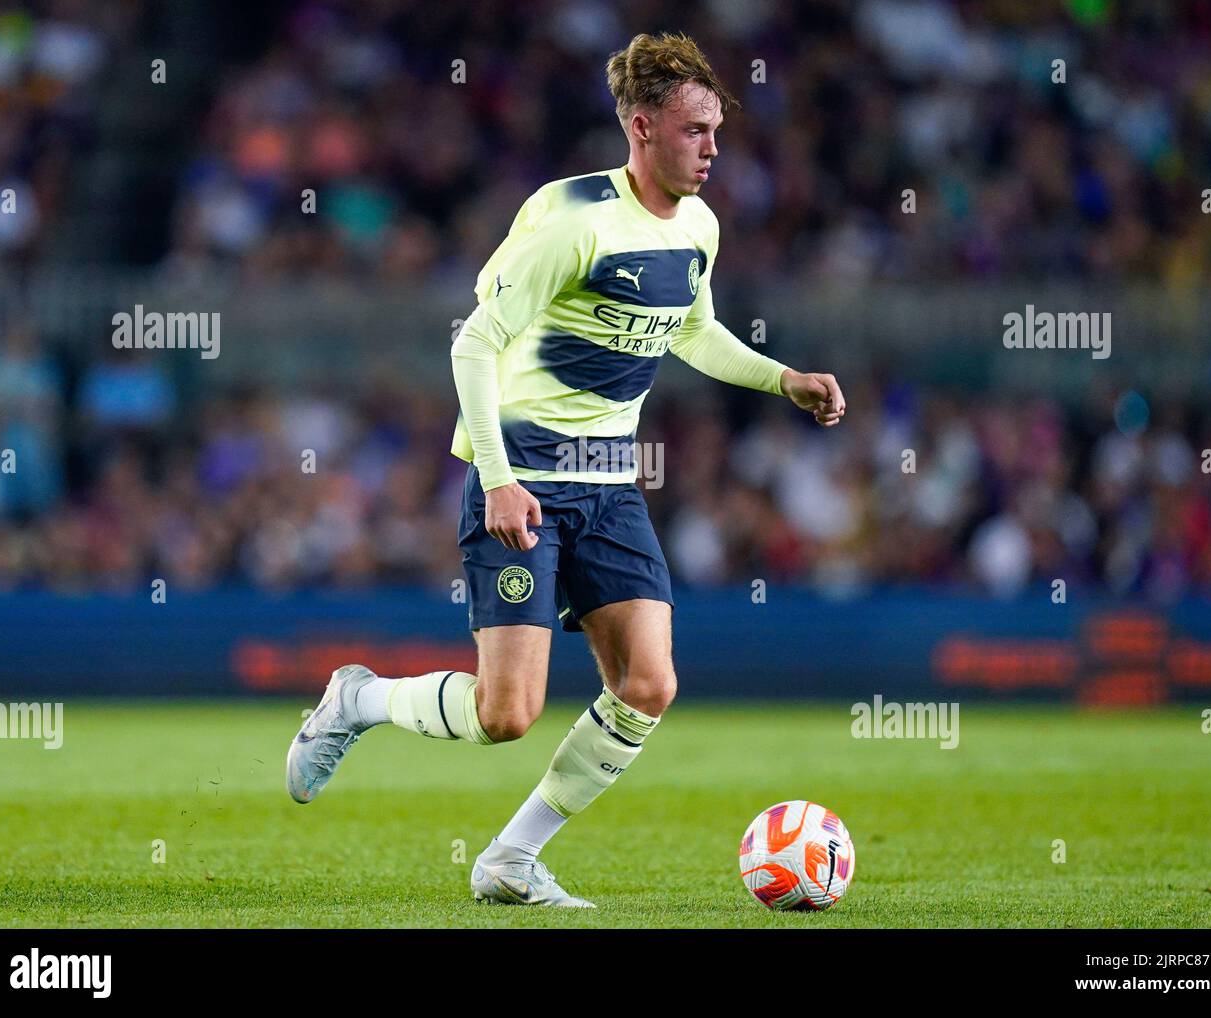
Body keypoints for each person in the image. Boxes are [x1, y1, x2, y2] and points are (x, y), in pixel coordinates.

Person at [286, 31, 845, 907]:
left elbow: (690, 330)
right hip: (526, 478)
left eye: (716, 132)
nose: (712, 149)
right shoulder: (574, 222)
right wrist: (501, 477)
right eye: (696, 130)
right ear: (641, 127)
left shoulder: (699, 226)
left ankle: (509, 859)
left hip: (610, 484)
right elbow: (474, 345)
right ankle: (356, 700)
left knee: (649, 683)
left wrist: (784, 378)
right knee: (505, 715)